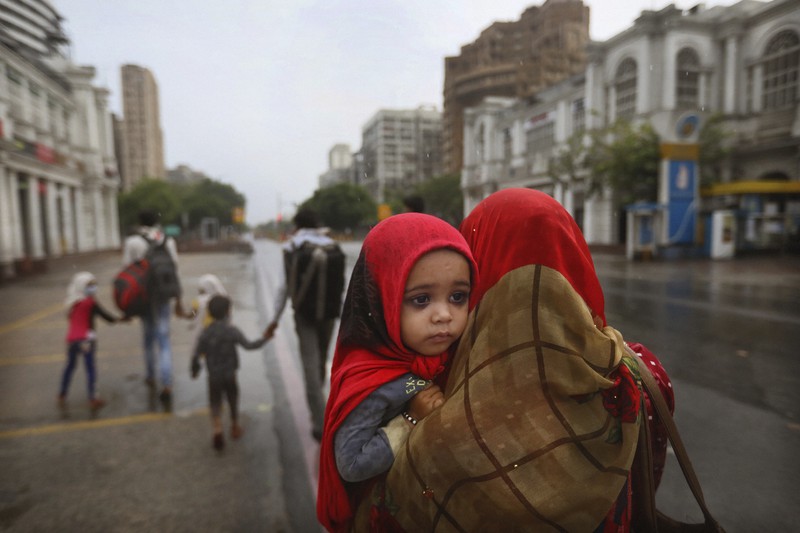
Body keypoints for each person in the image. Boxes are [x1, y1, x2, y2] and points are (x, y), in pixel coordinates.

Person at [378, 188, 674, 532]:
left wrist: (410, 421)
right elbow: (645, 487)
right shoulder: (642, 372)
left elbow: (390, 509)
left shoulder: (441, 416)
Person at [316, 213, 478, 533]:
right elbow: (351, 464)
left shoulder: (452, 354)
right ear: (382, 301)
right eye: (421, 300)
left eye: (458, 297)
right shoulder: (373, 381)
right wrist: (410, 421)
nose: (444, 315)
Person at [266, 207, 345, 441]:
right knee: (321, 360)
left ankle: (320, 425)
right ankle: (320, 404)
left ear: (297, 225)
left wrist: (273, 321)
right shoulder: (332, 244)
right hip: (330, 314)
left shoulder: (291, 247)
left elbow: (283, 288)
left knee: (310, 366)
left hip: (304, 315)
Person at [122, 209, 188, 405]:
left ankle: (150, 375)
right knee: (164, 338)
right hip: (163, 294)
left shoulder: (132, 241)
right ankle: (167, 383)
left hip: (143, 296)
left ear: (140, 221)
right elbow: (174, 268)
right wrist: (178, 298)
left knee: (148, 336)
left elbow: (126, 269)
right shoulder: (167, 240)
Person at [191, 294, 273, 451]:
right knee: (232, 398)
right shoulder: (232, 331)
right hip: (230, 374)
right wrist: (265, 338)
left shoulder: (206, 333)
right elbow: (249, 345)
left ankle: (217, 428)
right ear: (228, 312)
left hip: (213, 375)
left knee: (215, 402)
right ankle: (235, 426)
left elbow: (197, 354)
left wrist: (194, 370)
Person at [59, 272, 123, 411]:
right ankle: (93, 398)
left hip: (72, 340)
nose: (93, 288)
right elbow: (106, 316)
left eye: (93, 285)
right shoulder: (90, 302)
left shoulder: (71, 303)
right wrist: (120, 319)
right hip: (86, 340)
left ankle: (62, 393)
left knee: (70, 367)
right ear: (82, 287)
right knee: (90, 368)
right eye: (89, 285)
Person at [189, 274, 227, 340]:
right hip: (214, 328)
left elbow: (193, 314)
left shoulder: (197, 300)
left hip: (202, 328)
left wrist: (193, 323)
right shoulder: (218, 300)